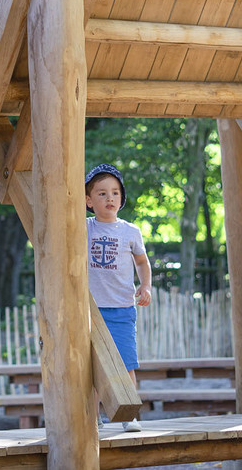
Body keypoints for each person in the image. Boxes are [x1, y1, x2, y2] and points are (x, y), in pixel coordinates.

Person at [85, 163, 152, 433]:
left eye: (114, 192)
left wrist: (145, 286)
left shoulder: (130, 231)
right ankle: (92, 417)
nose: (109, 197)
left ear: (121, 198)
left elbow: (143, 263)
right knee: (90, 366)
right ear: (88, 201)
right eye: (101, 193)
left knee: (126, 362)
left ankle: (129, 414)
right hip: (90, 309)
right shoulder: (84, 228)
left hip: (122, 308)